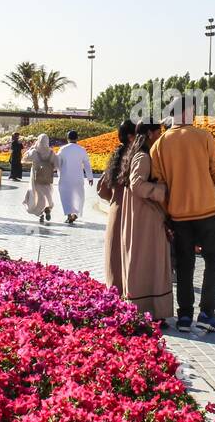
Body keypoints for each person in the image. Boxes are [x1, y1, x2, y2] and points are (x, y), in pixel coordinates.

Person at [151, 116, 215, 333]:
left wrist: (167, 213)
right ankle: (207, 313)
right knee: (213, 261)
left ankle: (185, 316)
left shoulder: (160, 143)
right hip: (207, 211)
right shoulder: (204, 137)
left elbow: (159, 183)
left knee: (185, 265)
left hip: (178, 216)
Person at [120, 121, 174, 322]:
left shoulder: (140, 154)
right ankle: (147, 310)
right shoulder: (143, 156)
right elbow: (137, 184)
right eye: (159, 131)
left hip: (142, 216)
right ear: (151, 133)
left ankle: (146, 309)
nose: (161, 135)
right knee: (150, 262)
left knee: (145, 262)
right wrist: (162, 190)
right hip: (147, 217)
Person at [100, 120, 136, 293]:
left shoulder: (116, 155)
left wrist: (114, 198)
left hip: (116, 210)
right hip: (131, 210)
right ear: (131, 137)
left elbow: (102, 189)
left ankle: (115, 295)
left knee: (115, 256)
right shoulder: (136, 157)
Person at [56, 130, 93, 224]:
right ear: (77, 138)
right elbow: (87, 164)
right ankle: (76, 214)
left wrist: (58, 173)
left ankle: (69, 216)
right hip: (78, 178)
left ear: (67, 138)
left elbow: (58, 163)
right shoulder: (81, 149)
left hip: (65, 177)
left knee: (66, 197)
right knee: (79, 196)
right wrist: (90, 177)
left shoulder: (62, 149)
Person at [24, 134, 57, 223]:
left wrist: (31, 148)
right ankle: (47, 208)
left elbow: (25, 158)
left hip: (36, 177)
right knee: (47, 194)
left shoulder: (34, 151)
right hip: (47, 178)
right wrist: (49, 169)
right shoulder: (51, 152)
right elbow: (56, 165)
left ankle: (41, 213)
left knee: (38, 196)